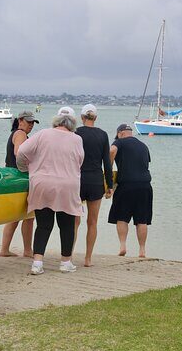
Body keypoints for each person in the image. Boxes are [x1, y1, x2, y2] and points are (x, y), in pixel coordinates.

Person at [17, 106, 84, 275]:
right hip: (67, 185)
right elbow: (80, 161)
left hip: (42, 183)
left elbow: (22, 152)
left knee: (44, 225)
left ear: (56, 121)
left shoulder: (43, 134)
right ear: (72, 123)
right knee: (67, 225)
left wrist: (27, 169)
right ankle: (65, 262)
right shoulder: (77, 139)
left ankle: (37, 263)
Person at [74, 104, 113, 267]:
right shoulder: (103, 135)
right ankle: (88, 258)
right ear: (95, 118)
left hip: (78, 180)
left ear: (82, 117)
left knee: (74, 221)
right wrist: (110, 185)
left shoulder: (76, 133)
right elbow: (107, 163)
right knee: (93, 221)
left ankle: (68, 255)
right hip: (96, 181)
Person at [108, 123, 153, 258]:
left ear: (120, 133)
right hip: (145, 186)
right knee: (142, 220)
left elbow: (111, 151)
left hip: (126, 185)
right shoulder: (143, 146)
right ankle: (142, 250)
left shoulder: (119, 142)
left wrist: (109, 169)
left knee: (121, 217)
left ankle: (122, 246)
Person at [0, 110, 39, 257]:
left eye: (33, 122)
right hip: (19, 177)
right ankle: (27, 250)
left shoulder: (15, 133)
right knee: (28, 216)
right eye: (29, 122)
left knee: (16, 216)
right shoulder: (20, 133)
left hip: (10, 176)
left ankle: (5, 249)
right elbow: (18, 152)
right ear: (20, 120)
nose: (31, 125)